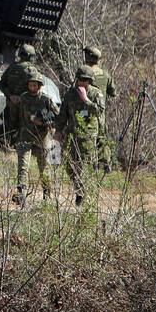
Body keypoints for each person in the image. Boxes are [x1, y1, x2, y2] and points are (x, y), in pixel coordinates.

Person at [56, 65, 105, 206]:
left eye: (86, 80)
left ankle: (81, 195)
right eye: (81, 80)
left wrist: (86, 100)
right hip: (72, 135)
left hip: (88, 136)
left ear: (90, 81)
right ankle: (80, 190)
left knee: (83, 166)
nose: (83, 83)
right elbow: (62, 114)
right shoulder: (70, 93)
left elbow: (99, 111)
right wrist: (58, 131)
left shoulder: (96, 93)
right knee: (69, 165)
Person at [12, 69, 58, 207]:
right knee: (23, 165)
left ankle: (47, 194)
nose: (32, 87)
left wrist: (45, 122)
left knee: (44, 167)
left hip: (42, 138)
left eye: (35, 85)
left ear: (39, 85)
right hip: (25, 136)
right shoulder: (23, 98)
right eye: (30, 84)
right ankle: (21, 193)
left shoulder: (46, 99)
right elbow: (17, 116)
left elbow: (57, 117)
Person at [83, 46, 117, 171]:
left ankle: (93, 164)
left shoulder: (85, 73)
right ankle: (107, 164)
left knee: (87, 136)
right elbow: (113, 92)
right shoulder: (105, 74)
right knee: (102, 136)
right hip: (101, 111)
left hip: (86, 110)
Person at [0, 44, 39, 145]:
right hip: (25, 106)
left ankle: (7, 145)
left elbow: (1, 85)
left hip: (11, 103)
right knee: (23, 129)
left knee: (10, 127)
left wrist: (10, 96)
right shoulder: (32, 70)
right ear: (30, 56)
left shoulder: (11, 67)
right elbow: (36, 88)